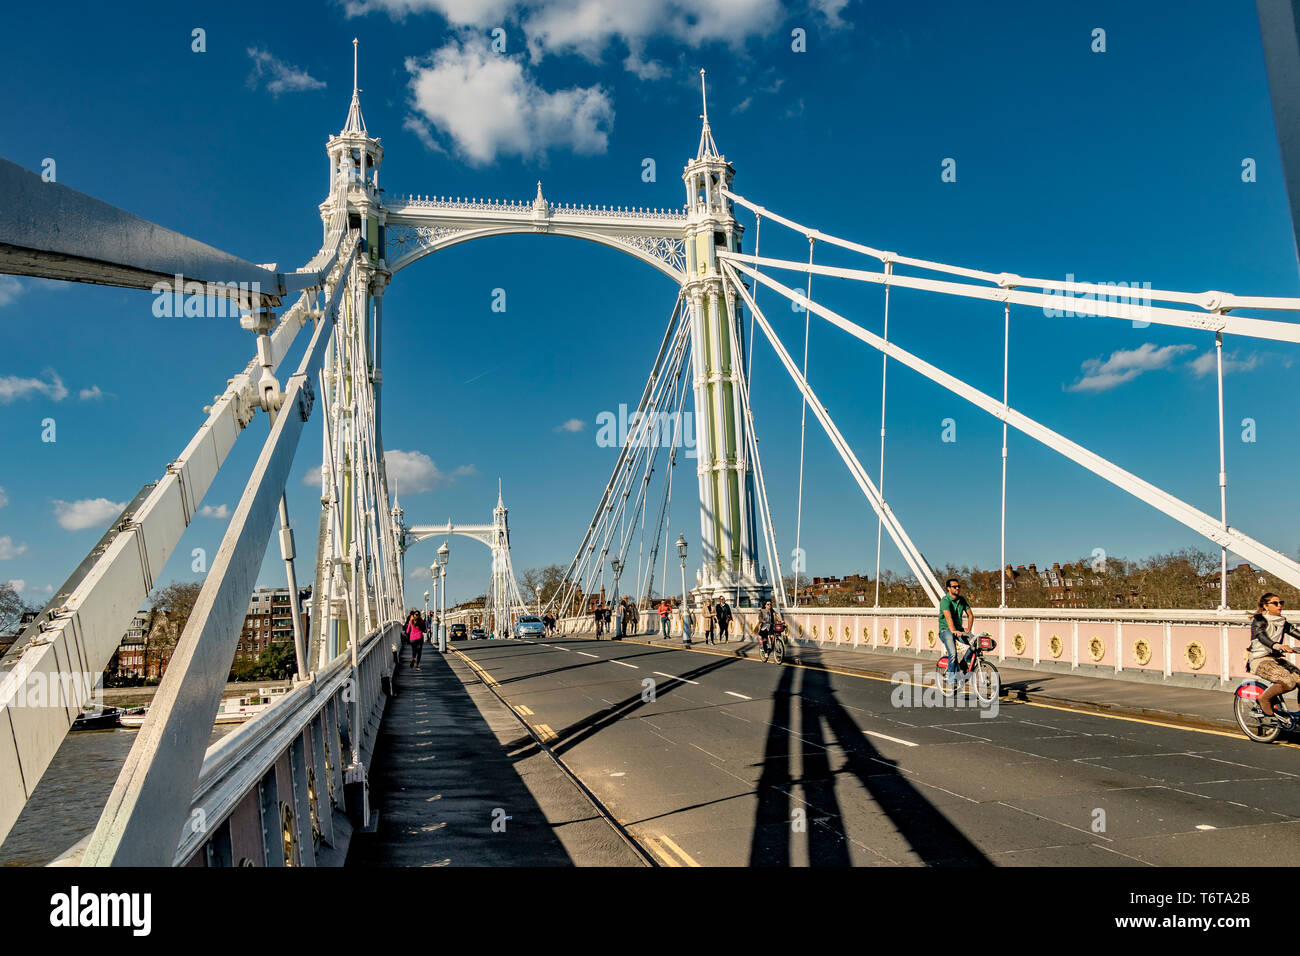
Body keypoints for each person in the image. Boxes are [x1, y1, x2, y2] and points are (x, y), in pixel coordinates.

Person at [1251, 592, 1300, 723]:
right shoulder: (1259, 620)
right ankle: (1264, 699)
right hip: (1260, 660)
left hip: (1275, 659)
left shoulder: (1282, 622)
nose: (1279, 606)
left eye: (1281, 603)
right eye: (1275, 603)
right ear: (1266, 606)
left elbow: (1296, 633)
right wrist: (1277, 646)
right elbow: (1261, 636)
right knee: (1289, 682)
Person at [938, 578, 974, 683]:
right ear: (948, 588)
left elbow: (970, 615)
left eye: (958, 586)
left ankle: (964, 663)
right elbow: (948, 617)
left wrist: (969, 629)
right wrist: (953, 630)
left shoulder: (962, 600)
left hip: (959, 629)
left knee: (975, 643)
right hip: (946, 630)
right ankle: (951, 679)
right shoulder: (945, 601)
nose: (957, 588)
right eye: (954, 587)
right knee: (953, 653)